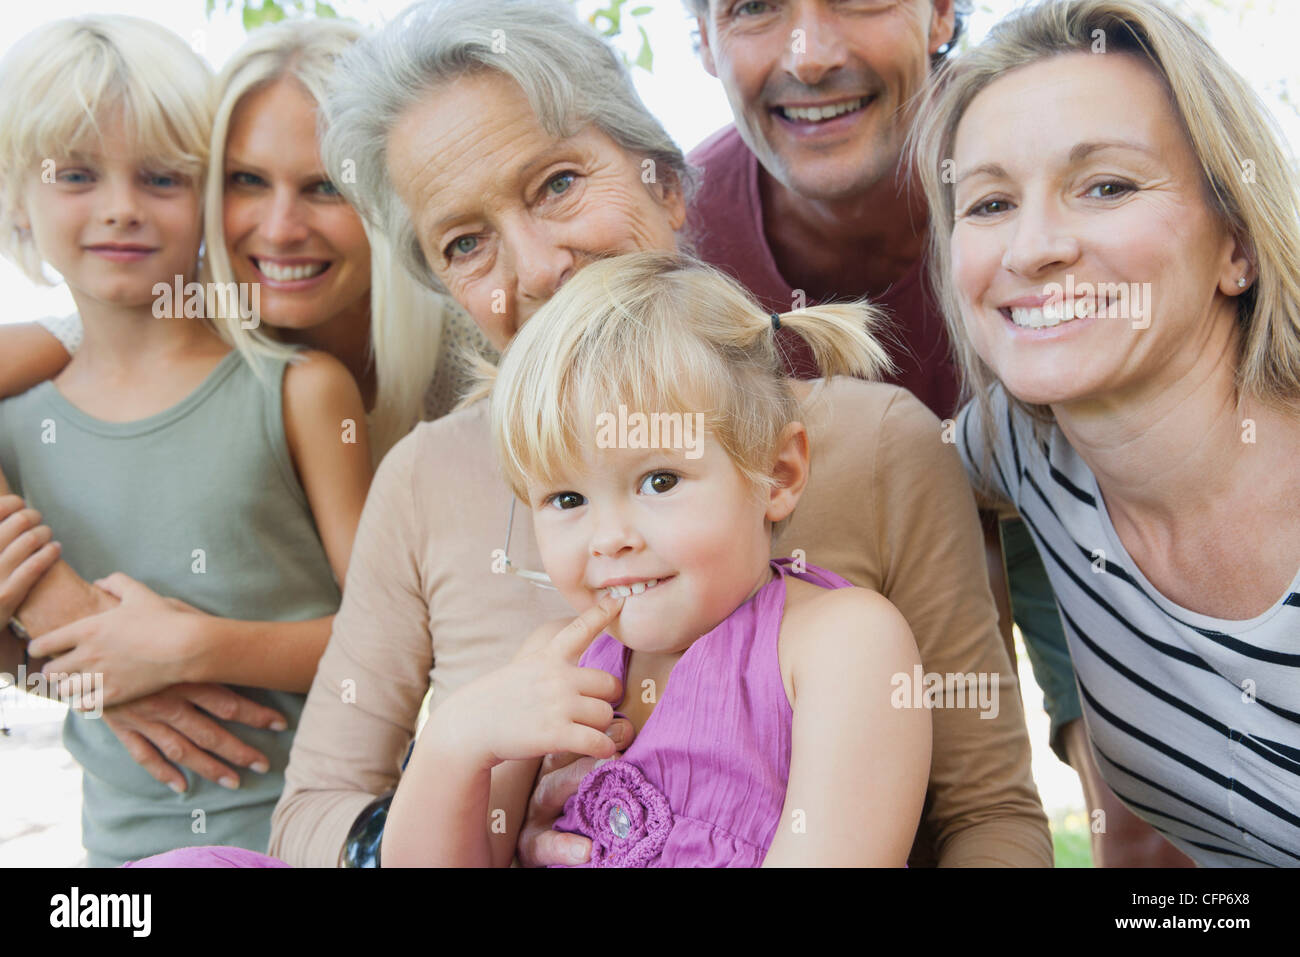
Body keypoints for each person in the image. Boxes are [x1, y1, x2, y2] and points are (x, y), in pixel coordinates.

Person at [271, 0, 1049, 868]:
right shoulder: (425, 477)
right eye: (465, 242)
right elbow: (310, 811)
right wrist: (470, 825)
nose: (536, 266)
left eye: (558, 184)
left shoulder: (877, 446)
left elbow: (989, 818)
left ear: (667, 183)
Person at [685, 0, 1178, 865]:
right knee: (931, 788)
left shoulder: (1018, 137)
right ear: (703, 41)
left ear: (942, 12)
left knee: (1144, 808)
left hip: (1068, 461)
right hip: (854, 504)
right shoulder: (696, 244)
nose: (809, 55)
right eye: (753, 7)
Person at [0, 18, 492, 802]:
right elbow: (81, 653)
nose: (279, 227)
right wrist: (70, 640)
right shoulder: (57, 388)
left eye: (325, 184)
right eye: (247, 180)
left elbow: (404, 636)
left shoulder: (446, 364)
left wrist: (192, 648)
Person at [913, 0, 1300, 866]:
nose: (1034, 248)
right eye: (989, 203)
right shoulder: (1019, 449)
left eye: (1107, 187)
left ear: (1235, 241)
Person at [385, 252, 930, 867]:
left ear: (777, 474)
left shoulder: (839, 643)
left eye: (660, 481)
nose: (609, 537)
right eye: (567, 498)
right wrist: (453, 744)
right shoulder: (548, 666)